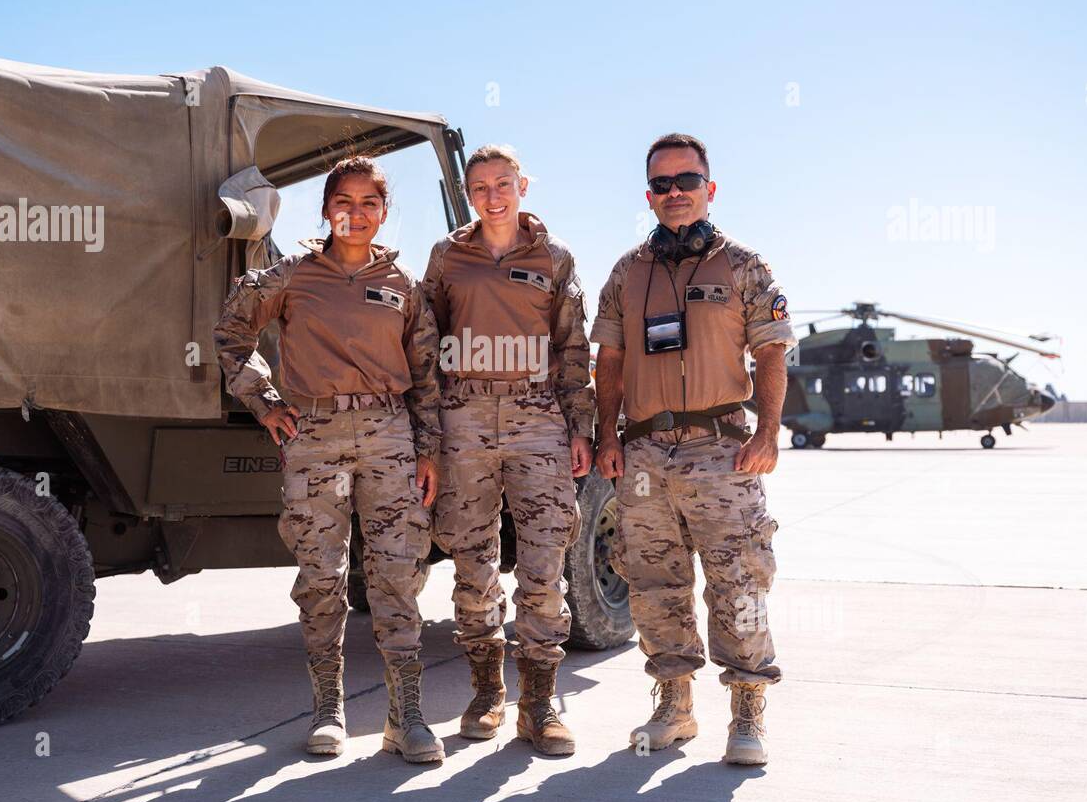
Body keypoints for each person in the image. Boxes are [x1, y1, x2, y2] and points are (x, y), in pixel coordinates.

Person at [214, 155, 444, 764]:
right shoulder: (290, 276)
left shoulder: (404, 288)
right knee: (322, 576)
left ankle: (407, 716)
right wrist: (263, 401)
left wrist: (430, 452)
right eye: (345, 201)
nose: (357, 213)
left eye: (370, 203)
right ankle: (327, 709)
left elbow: (425, 376)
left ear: (385, 213)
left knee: (397, 574)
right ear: (325, 209)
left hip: (389, 435)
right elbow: (232, 334)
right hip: (312, 434)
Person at [591, 133, 795, 764]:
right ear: (648, 196)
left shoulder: (744, 267)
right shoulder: (627, 273)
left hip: (722, 452)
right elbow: (610, 363)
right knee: (655, 584)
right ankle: (675, 709)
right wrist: (606, 439)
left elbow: (769, 353)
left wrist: (767, 433)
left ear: (710, 188)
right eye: (661, 184)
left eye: (686, 181)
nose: (674, 193)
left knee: (739, 580)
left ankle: (748, 712)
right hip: (646, 454)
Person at [422, 145, 594, 755]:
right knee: (472, 558)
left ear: (522, 184)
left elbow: (573, 350)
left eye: (503, 183)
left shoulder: (554, 257)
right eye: (480, 186)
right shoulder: (448, 255)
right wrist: (431, 430)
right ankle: (486, 691)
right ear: (469, 193)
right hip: (464, 419)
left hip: (538, 419)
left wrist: (580, 427)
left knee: (544, 561)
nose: (492, 195)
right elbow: (427, 341)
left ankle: (540, 703)